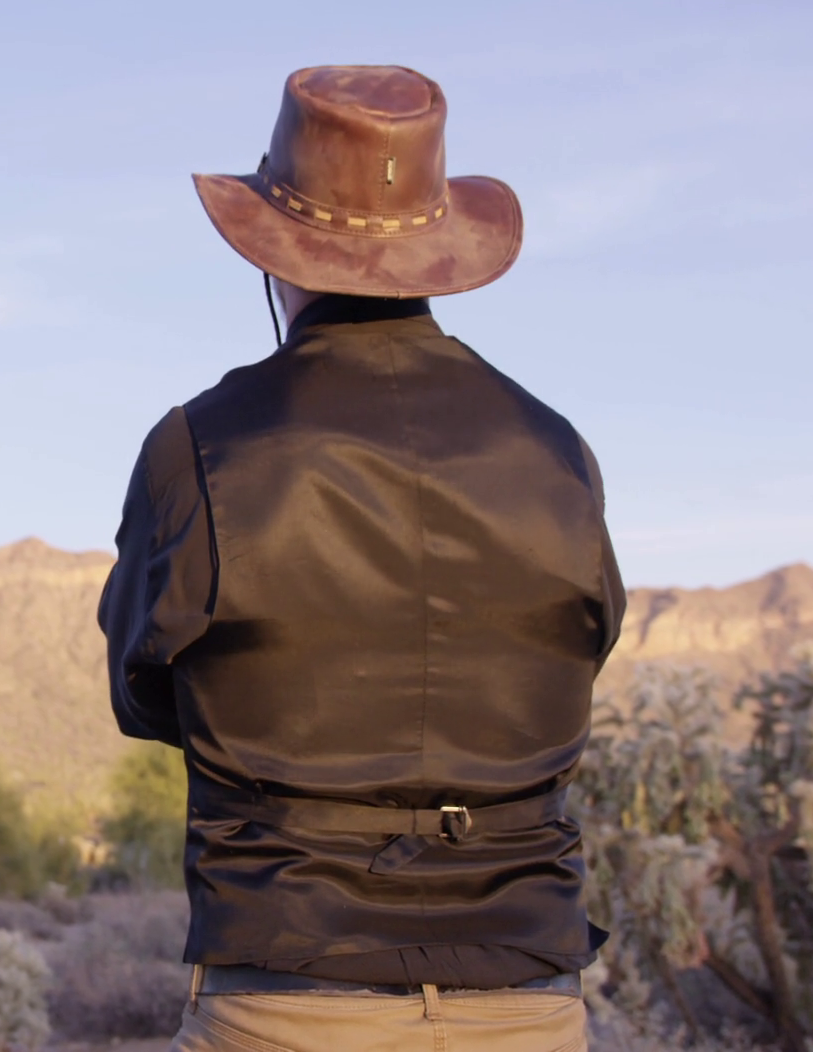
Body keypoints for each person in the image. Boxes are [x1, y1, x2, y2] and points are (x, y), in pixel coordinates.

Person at [98, 65, 625, 1052]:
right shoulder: (558, 450)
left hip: (289, 996)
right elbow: (579, 658)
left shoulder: (200, 448)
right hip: (527, 999)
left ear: (275, 251)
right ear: (438, 243)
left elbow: (144, 697)